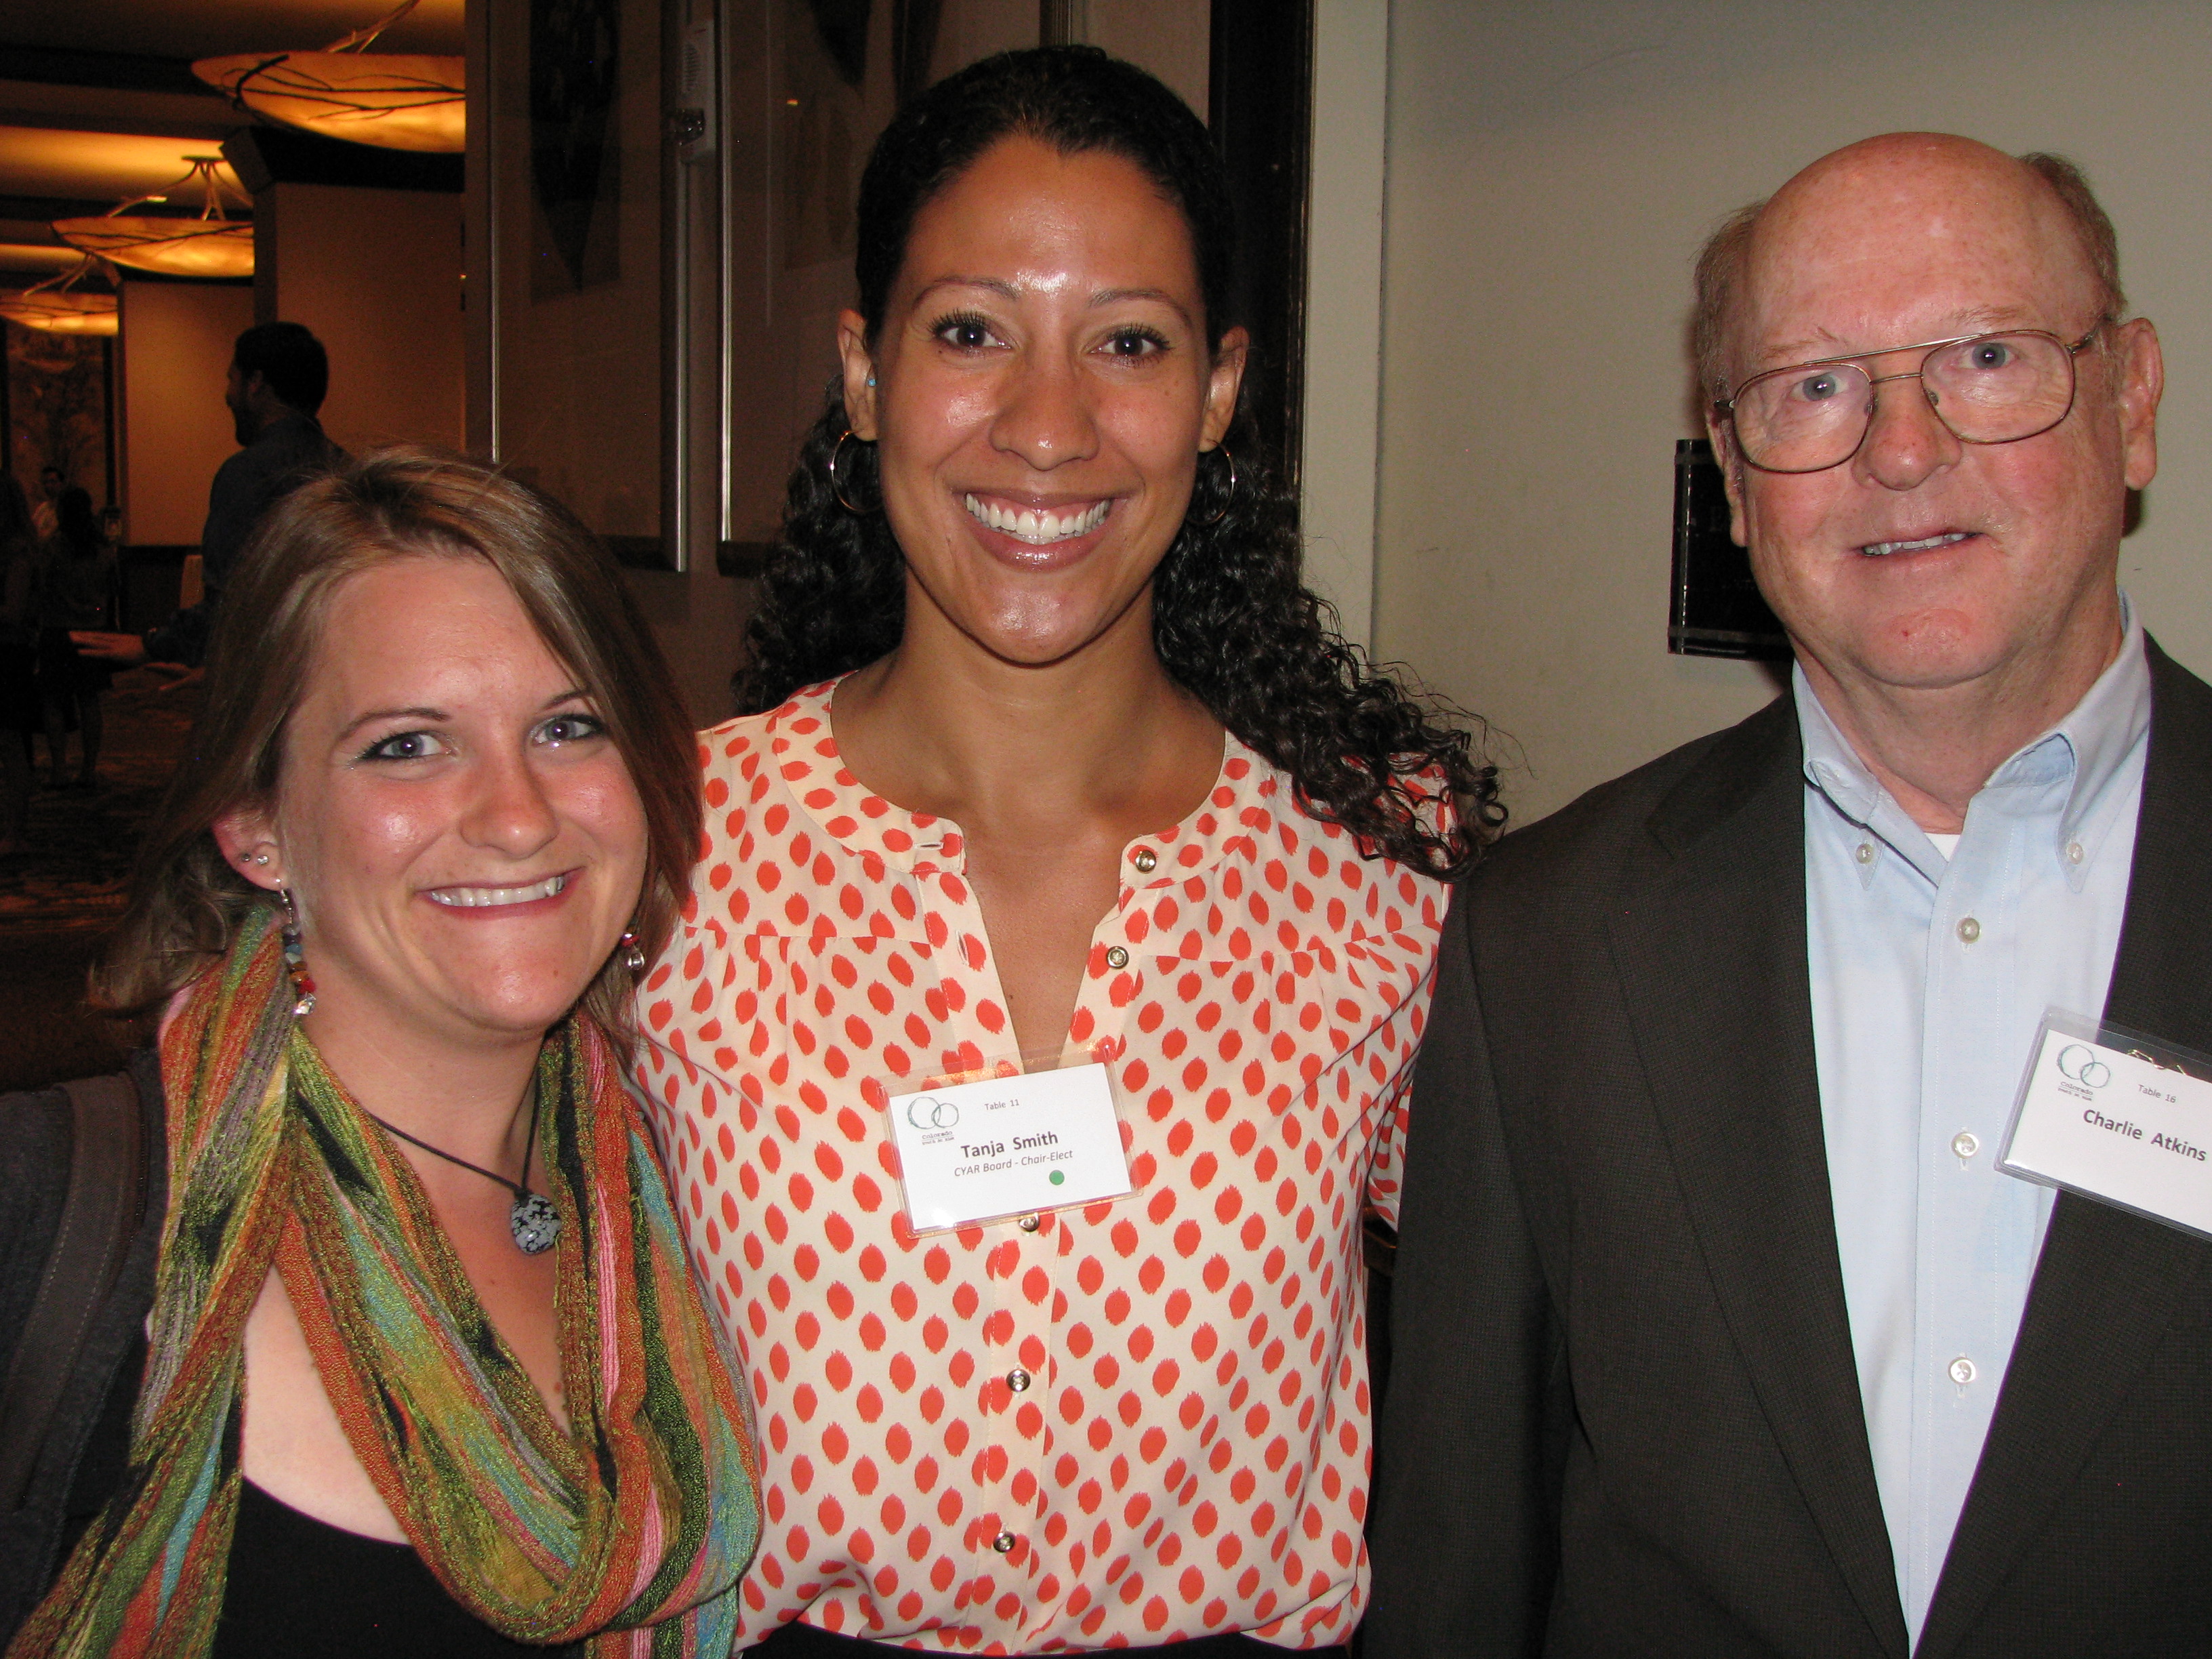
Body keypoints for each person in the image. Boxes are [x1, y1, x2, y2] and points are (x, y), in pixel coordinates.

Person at [632, 45, 1499, 1658]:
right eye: (971, 332)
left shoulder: (1379, 860)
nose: (1049, 424)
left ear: (1219, 391)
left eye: (1127, 343)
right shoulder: (668, 845)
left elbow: (1541, 1308)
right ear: (867, 370)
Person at [1365, 133, 2212, 1657]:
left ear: (2132, 398)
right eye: (1814, 386)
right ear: (1736, 477)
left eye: (1988, 355)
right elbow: (1460, 1565)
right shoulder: (1548, 936)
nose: (1899, 446)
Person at [1, 449, 760, 1655]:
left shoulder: (696, 1176)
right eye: (407, 745)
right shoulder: (59, 1208)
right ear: (256, 824)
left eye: (569, 726)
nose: (516, 815)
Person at [75, 322, 344, 678]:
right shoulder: (346, 469)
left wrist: (154, 644)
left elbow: (230, 603)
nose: (227, 395)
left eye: (232, 379)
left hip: (269, 682)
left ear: (256, 384)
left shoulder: (248, 473)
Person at [33, 485, 117, 789]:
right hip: (92, 629)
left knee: (54, 701)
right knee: (89, 699)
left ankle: (59, 769)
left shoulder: (54, 548)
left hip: (58, 629)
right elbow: (110, 589)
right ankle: (89, 769)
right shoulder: (102, 548)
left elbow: (42, 586)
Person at [0, 476, 35, 853]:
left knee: (11, 746)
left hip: (9, 655)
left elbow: (13, 610)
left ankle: (14, 831)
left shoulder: (18, 550)